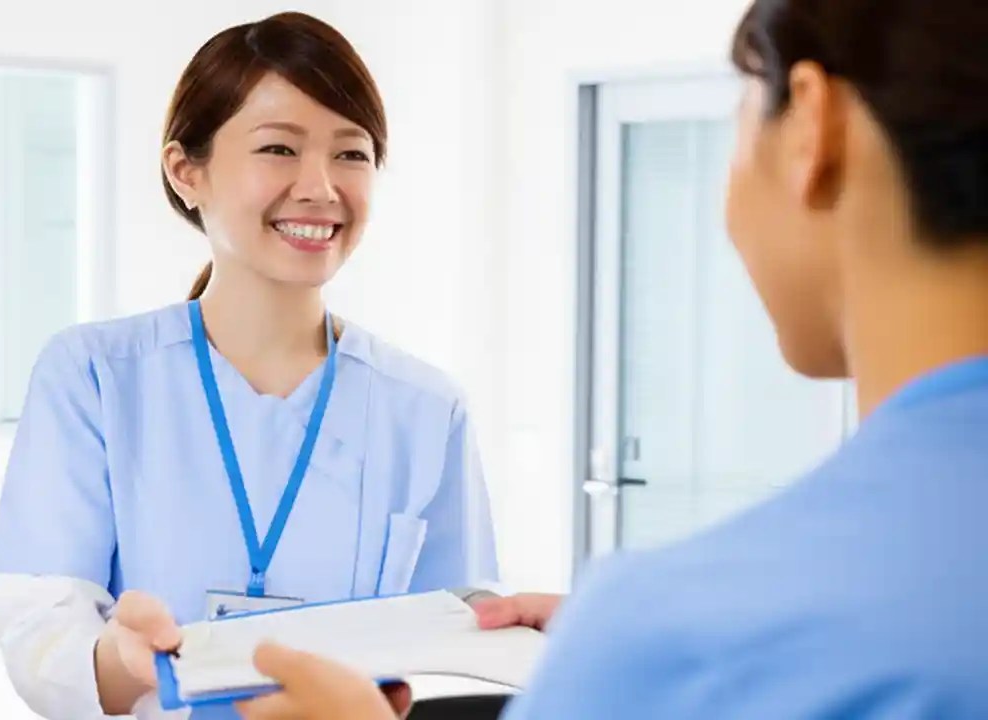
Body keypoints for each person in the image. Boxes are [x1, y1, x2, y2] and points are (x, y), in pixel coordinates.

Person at [234, 0, 988, 717]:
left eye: (739, 118)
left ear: (809, 128)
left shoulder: (678, 638)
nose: (318, 188)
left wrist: (635, 658)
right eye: (278, 148)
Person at [0, 11, 498, 720]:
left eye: (351, 154)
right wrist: (120, 660)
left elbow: (462, 649)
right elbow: (41, 629)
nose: (320, 186)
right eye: (279, 149)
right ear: (186, 171)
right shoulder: (95, 375)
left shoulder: (426, 407)